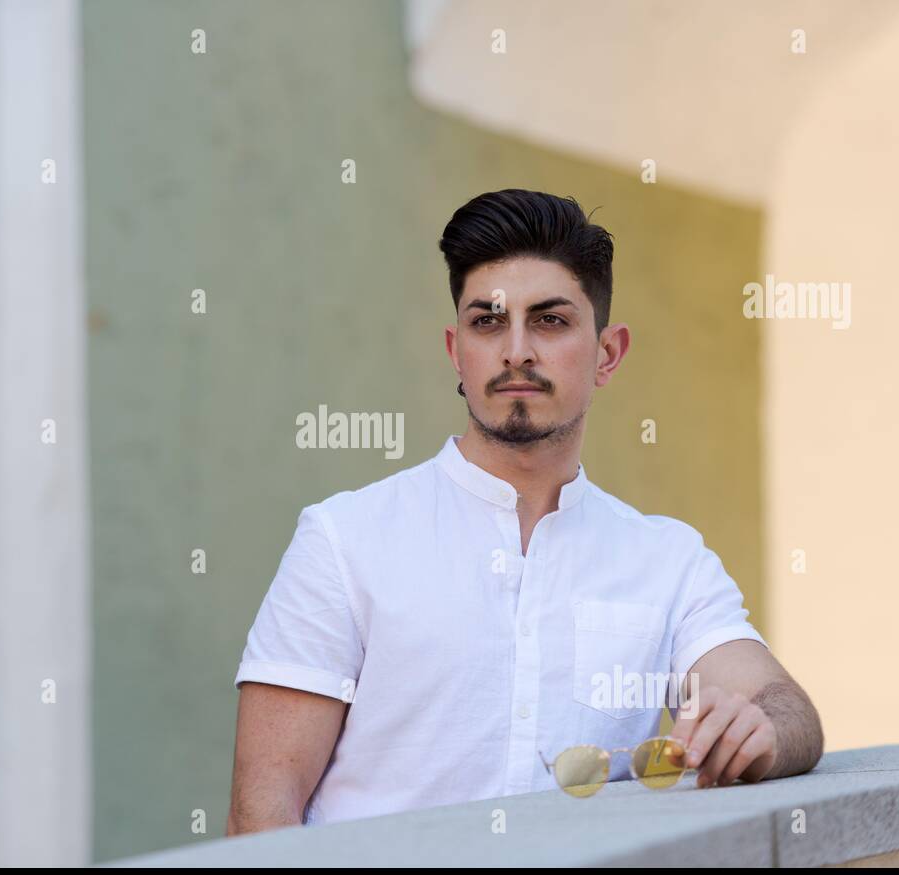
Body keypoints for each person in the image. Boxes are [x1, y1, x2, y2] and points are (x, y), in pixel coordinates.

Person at [228, 188, 823, 833]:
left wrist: (758, 732)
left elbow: (787, 711)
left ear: (607, 354)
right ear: (457, 351)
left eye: (550, 320)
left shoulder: (667, 560)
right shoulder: (344, 541)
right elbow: (262, 814)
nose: (516, 350)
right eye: (488, 321)